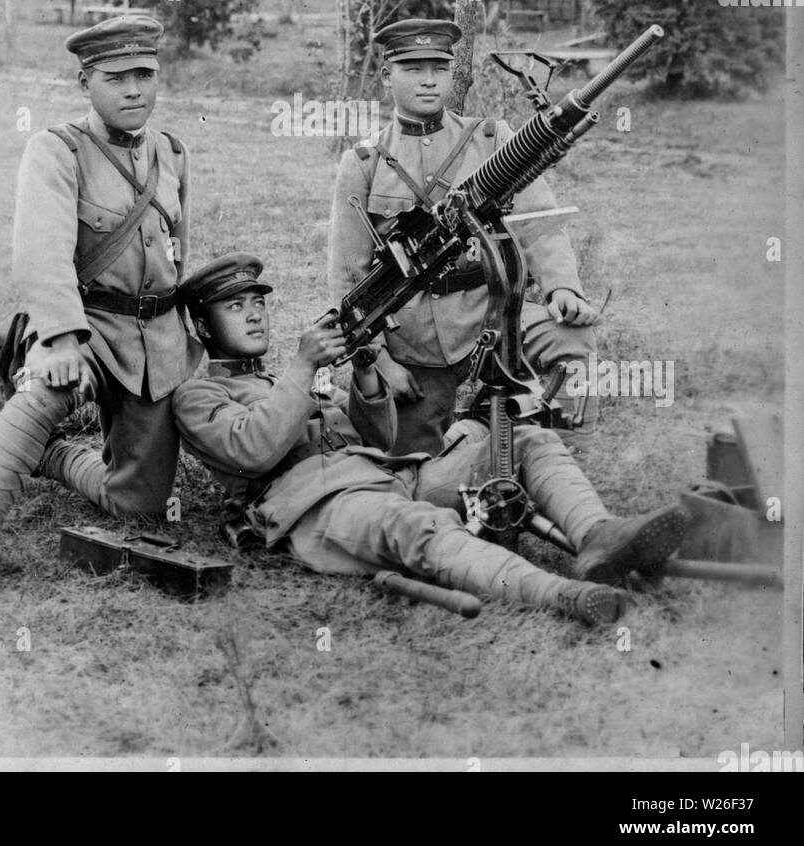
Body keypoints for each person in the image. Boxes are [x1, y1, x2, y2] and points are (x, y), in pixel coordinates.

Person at [171, 254, 688, 629]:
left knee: (523, 441)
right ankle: (563, 594)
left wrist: (368, 374)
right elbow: (253, 450)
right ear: (201, 323)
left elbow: (375, 440)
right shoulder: (196, 396)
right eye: (235, 307)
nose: (255, 313)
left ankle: (599, 536)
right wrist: (304, 366)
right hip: (313, 507)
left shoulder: (279, 379)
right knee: (415, 526)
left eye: (257, 302)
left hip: (392, 476)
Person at [0, 14, 202, 597]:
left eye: (145, 74)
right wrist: (59, 337)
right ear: (84, 81)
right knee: (43, 395)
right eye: (117, 78)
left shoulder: (172, 152)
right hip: (84, 325)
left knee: (137, 504)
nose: (134, 89)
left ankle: (52, 457)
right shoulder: (57, 150)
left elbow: (177, 253)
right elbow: (40, 254)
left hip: (155, 336)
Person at [328, 17, 598, 458]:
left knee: (567, 336)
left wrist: (562, 287)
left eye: (438, 68)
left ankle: (562, 465)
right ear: (386, 75)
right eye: (413, 69)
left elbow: (539, 223)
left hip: (490, 316)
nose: (429, 81)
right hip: (414, 342)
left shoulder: (492, 139)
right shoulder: (363, 163)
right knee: (415, 468)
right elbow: (347, 276)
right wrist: (380, 360)